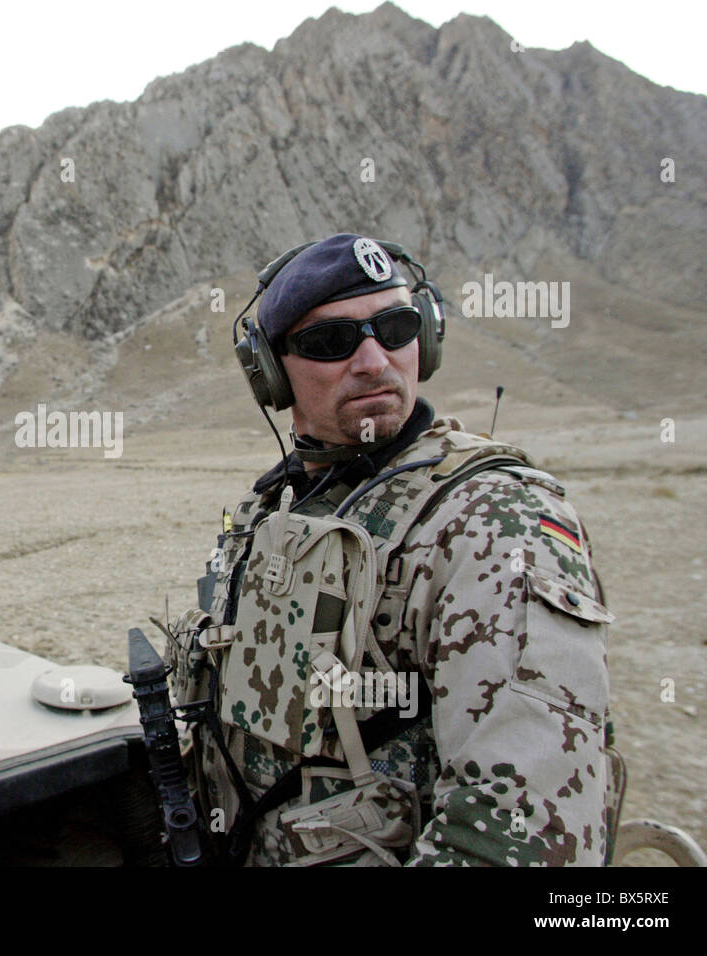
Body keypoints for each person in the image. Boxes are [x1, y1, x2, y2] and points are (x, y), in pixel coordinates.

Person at [168, 234, 613, 866]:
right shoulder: (280, 502)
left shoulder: (492, 520)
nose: (375, 360)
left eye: (396, 327)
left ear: (425, 340)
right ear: (269, 373)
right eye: (331, 342)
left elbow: (522, 839)